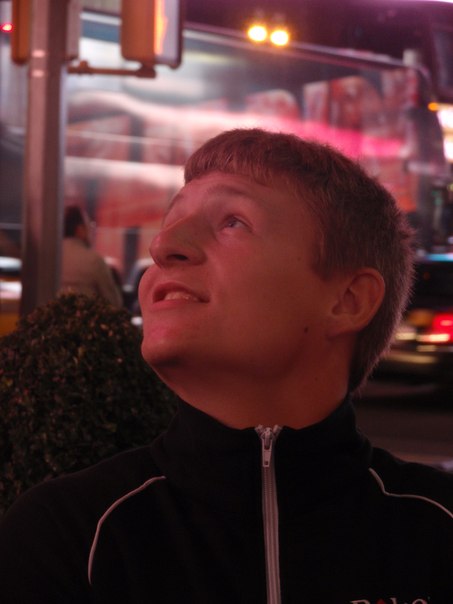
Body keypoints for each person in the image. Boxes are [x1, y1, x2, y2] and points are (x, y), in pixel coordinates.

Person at [0, 128, 452, 603]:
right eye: (169, 222)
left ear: (348, 300)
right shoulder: (65, 537)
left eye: (233, 222)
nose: (163, 246)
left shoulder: (438, 532)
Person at [60, 205, 123, 307]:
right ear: (80, 230)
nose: (91, 232)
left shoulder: (50, 258)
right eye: (89, 226)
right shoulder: (94, 261)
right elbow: (114, 302)